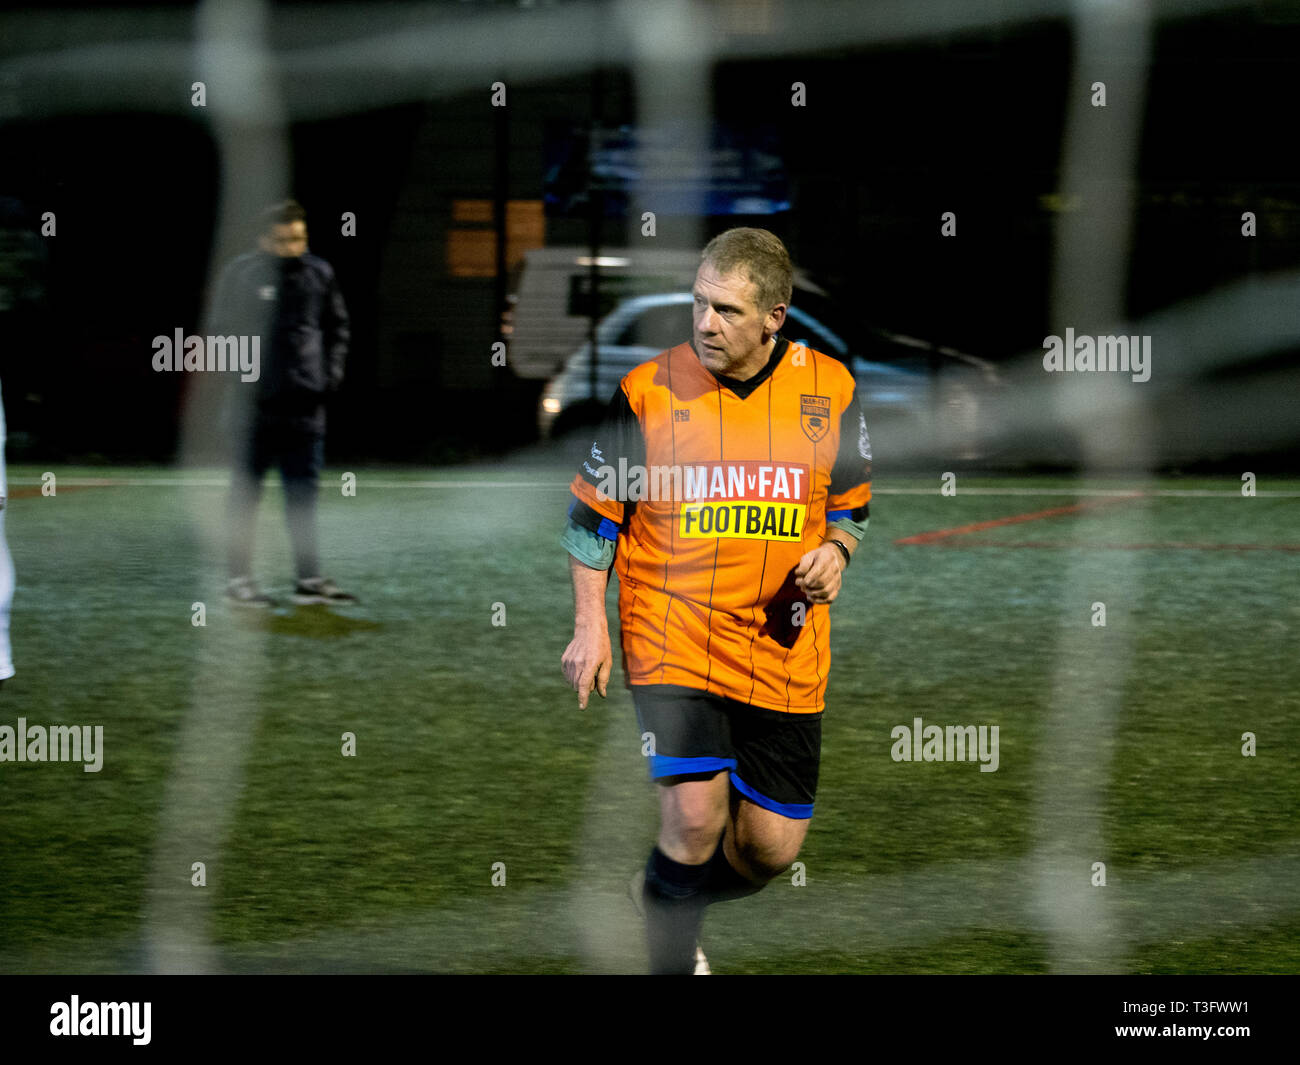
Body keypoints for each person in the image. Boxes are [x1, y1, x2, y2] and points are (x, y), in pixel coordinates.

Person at [560, 228, 872, 974]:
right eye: (700, 303)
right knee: (695, 818)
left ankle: (663, 895)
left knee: (769, 849)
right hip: (673, 636)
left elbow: (851, 507)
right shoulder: (647, 391)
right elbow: (592, 520)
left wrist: (837, 552)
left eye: (727, 310)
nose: (704, 322)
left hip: (785, 649)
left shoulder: (831, 389)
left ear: (775, 315)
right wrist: (589, 629)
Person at [213, 199, 356, 607]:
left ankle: (309, 579)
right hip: (251, 411)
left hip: (305, 409)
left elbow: (338, 326)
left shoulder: (319, 272)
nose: (293, 247)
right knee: (245, 496)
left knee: (303, 498)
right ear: (264, 240)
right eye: (283, 240)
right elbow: (221, 331)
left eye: (299, 238)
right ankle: (239, 580)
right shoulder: (241, 274)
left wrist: (328, 377)